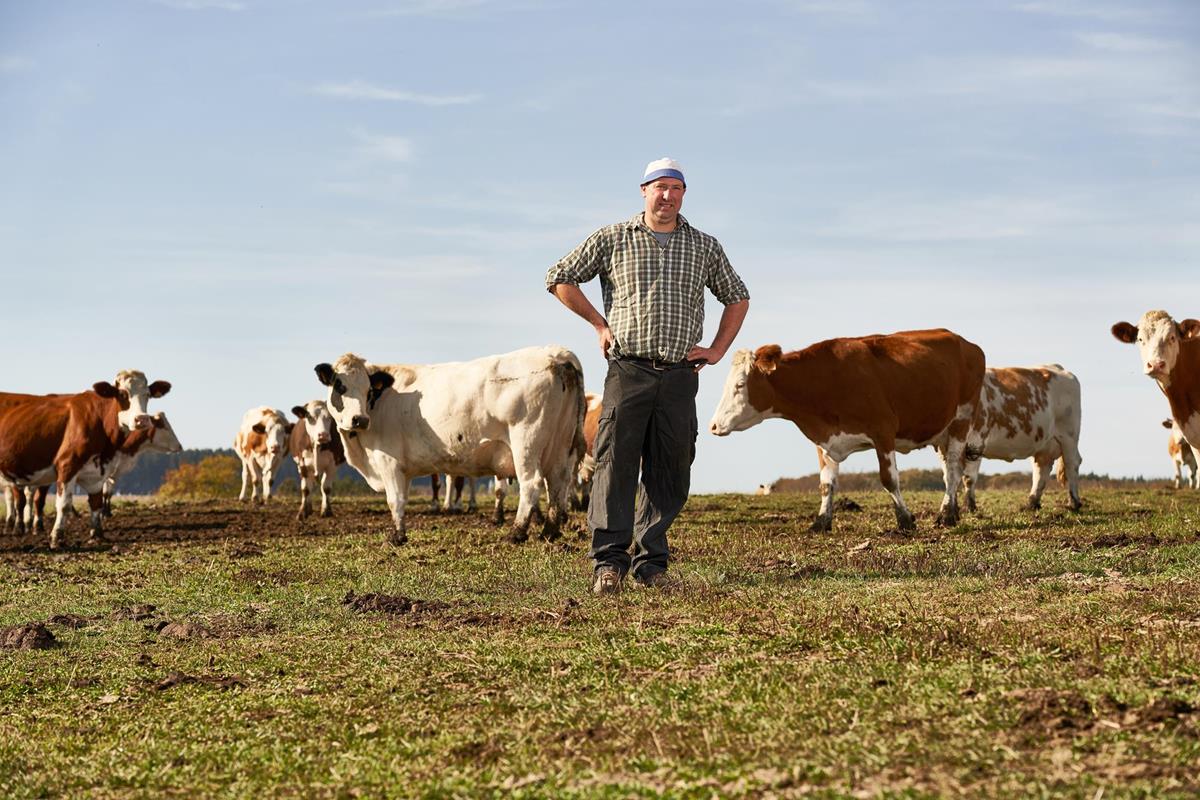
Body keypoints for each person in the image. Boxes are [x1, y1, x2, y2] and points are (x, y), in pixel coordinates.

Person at [545, 157, 750, 595]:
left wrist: (717, 350)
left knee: (671, 466)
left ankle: (651, 562)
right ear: (644, 191)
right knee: (615, 464)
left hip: (679, 375)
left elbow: (737, 297)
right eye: (660, 187)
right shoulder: (614, 238)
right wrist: (599, 324)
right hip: (628, 369)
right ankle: (608, 564)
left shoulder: (704, 246)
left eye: (676, 188)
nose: (668, 195)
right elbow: (559, 277)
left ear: (684, 194)